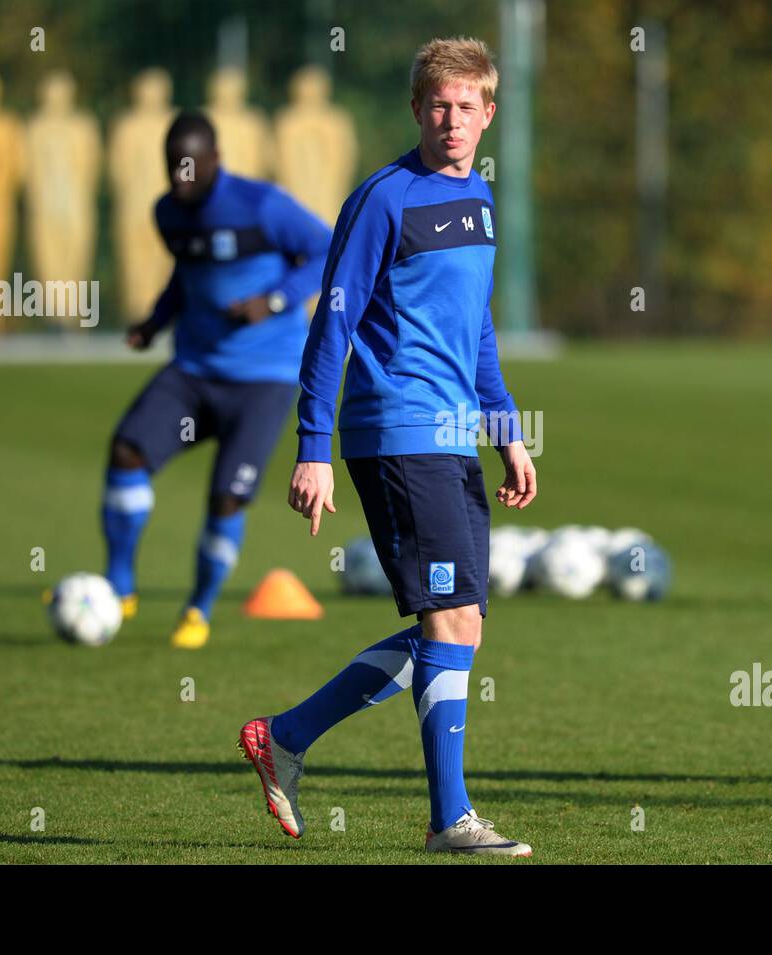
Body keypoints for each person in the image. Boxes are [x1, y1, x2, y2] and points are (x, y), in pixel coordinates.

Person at [238, 37, 538, 855]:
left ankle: (286, 735)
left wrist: (506, 429)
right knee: (448, 621)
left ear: (488, 114)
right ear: (417, 109)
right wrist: (311, 446)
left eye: (467, 105)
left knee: (462, 626)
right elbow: (331, 322)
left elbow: (475, 329)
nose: (452, 119)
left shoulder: (477, 197)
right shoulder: (383, 199)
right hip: (396, 431)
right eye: (437, 104)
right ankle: (450, 820)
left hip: (453, 438)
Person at [102, 112, 331, 648]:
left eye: (190, 166)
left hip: (264, 380)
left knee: (226, 498)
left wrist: (273, 300)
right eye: (171, 167)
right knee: (126, 453)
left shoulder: (261, 205)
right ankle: (120, 586)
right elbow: (187, 275)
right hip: (195, 372)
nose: (180, 178)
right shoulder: (167, 213)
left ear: (215, 160)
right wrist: (156, 322)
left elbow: (328, 248)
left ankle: (197, 611)